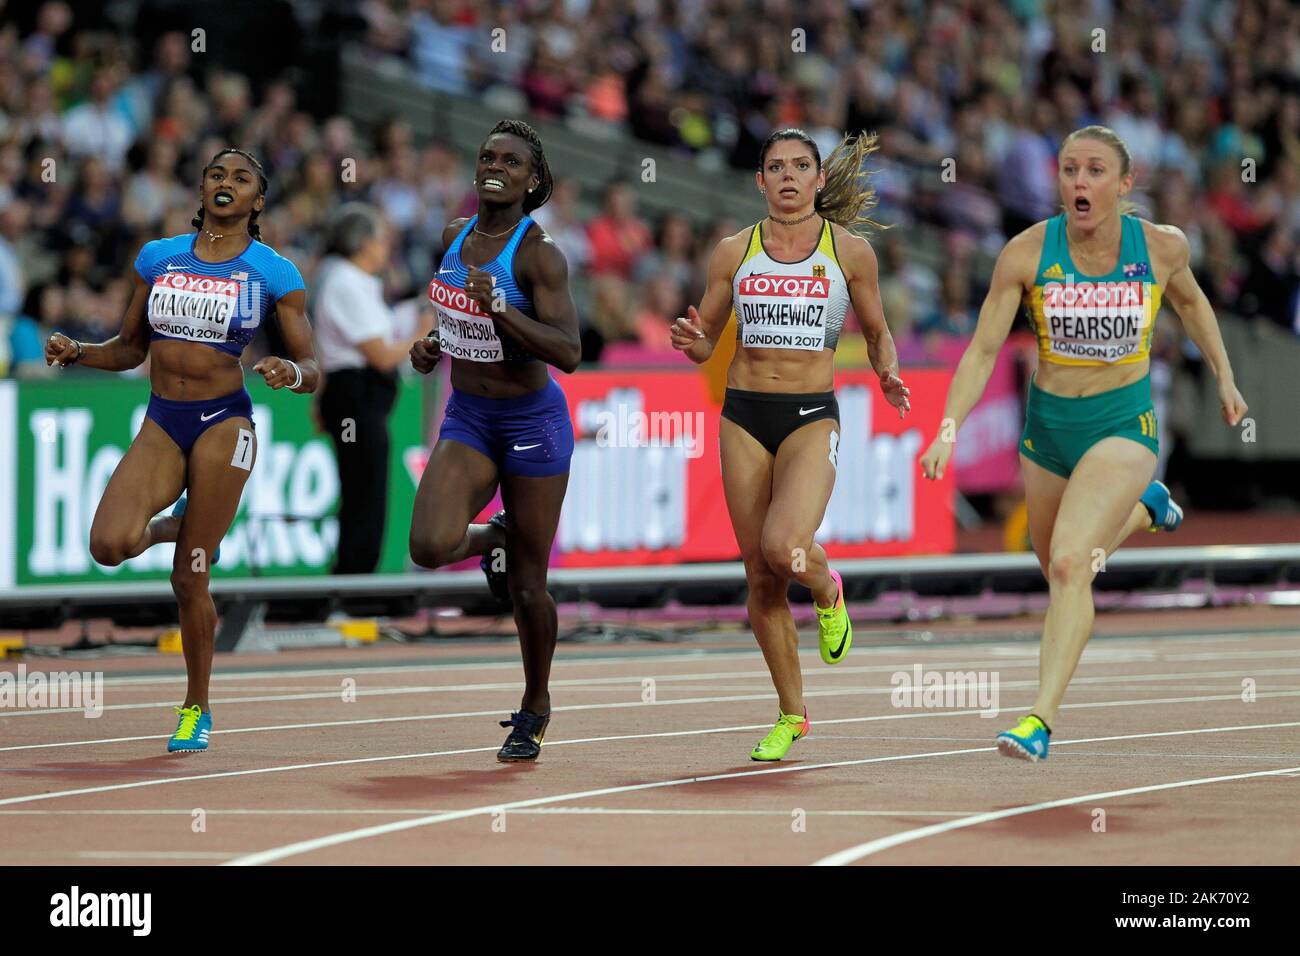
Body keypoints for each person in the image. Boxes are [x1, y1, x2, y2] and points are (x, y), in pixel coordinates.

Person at [919, 126, 1249, 762]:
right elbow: (984, 348)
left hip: (1122, 427)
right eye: (1069, 169)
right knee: (1060, 569)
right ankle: (1146, 507)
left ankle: (1038, 719)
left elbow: (1194, 304)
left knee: (1073, 563)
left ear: (1124, 185)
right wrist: (948, 428)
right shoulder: (1025, 252)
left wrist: (1225, 375)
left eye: (1096, 171)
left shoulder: (1159, 247)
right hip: (1047, 434)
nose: (1079, 182)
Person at [44, 148, 318, 753]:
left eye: (241, 178)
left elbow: (314, 367)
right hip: (164, 420)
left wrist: (289, 373)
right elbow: (128, 348)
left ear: (258, 201)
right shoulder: (159, 257)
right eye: (217, 174)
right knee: (108, 544)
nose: (226, 183)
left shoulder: (274, 272)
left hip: (226, 422)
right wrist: (79, 352)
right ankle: (186, 526)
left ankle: (196, 706)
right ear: (200, 189)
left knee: (189, 576)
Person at [671, 128, 911, 761]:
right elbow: (705, 337)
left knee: (785, 549)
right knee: (759, 575)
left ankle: (828, 588)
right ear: (759, 181)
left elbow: (879, 331)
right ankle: (792, 714)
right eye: (775, 166)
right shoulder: (733, 251)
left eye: (800, 166)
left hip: (810, 416)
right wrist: (689, 339)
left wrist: (887, 372)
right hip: (744, 415)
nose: (787, 176)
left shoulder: (850, 252)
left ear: (818, 179)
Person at [408, 120, 581, 762]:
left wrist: (504, 311)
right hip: (471, 416)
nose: (495, 166)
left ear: (531, 180)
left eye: (511, 161)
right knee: (428, 544)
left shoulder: (540, 254)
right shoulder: (455, 235)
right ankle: (495, 536)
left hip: (532, 423)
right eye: (487, 156)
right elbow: (455, 320)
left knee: (528, 587)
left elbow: (570, 351)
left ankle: (535, 705)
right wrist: (434, 346)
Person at [313, 203, 415, 575]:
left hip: (358, 396)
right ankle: (353, 584)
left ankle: (355, 581)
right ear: (362, 242)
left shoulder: (354, 282)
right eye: (381, 238)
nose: (386, 246)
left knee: (364, 488)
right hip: (355, 396)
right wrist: (422, 332)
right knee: (364, 490)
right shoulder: (344, 282)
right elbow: (382, 355)